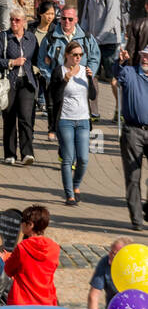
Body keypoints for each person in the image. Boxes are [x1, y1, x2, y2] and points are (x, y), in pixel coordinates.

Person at [0, 8, 40, 166]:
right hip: (8, 83)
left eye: (17, 20)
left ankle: (27, 153)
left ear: (24, 21)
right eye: (12, 19)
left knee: (26, 117)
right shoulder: (3, 37)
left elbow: (36, 59)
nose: (13, 23)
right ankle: (10, 154)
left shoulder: (31, 38)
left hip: (26, 83)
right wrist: (11, 62)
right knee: (9, 118)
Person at [48, 40, 97, 206]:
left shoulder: (85, 71)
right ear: (67, 55)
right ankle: (69, 195)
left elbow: (92, 95)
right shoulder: (59, 71)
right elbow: (54, 97)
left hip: (83, 119)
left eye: (80, 55)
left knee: (83, 159)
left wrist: (90, 79)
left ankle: (76, 186)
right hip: (65, 120)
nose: (78, 58)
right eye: (75, 55)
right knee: (68, 159)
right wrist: (65, 80)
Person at [116, 47, 148, 230]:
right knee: (133, 176)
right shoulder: (130, 72)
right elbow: (117, 73)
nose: (145, 59)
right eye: (144, 55)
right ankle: (136, 219)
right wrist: (121, 61)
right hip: (133, 130)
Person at [4, 204, 59, 306]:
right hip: (46, 301)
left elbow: (8, 270)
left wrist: (5, 257)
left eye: (23, 221)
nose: (21, 224)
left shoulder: (23, 247)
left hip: (22, 301)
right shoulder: (54, 248)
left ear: (30, 225)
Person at [88, 237, 133, 309]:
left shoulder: (139, 268)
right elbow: (93, 296)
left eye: (114, 254)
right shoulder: (105, 262)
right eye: (111, 251)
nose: (110, 256)